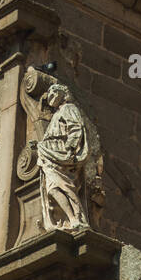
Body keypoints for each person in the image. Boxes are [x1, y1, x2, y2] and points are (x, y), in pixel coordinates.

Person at [37, 84, 89, 230]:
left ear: (63, 92)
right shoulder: (56, 114)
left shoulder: (68, 108)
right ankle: (71, 218)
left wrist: (70, 148)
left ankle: (75, 218)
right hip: (50, 153)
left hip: (60, 153)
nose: (50, 94)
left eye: (54, 91)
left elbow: (76, 128)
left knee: (65, 187)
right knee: (52, 188)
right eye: (49, 93)